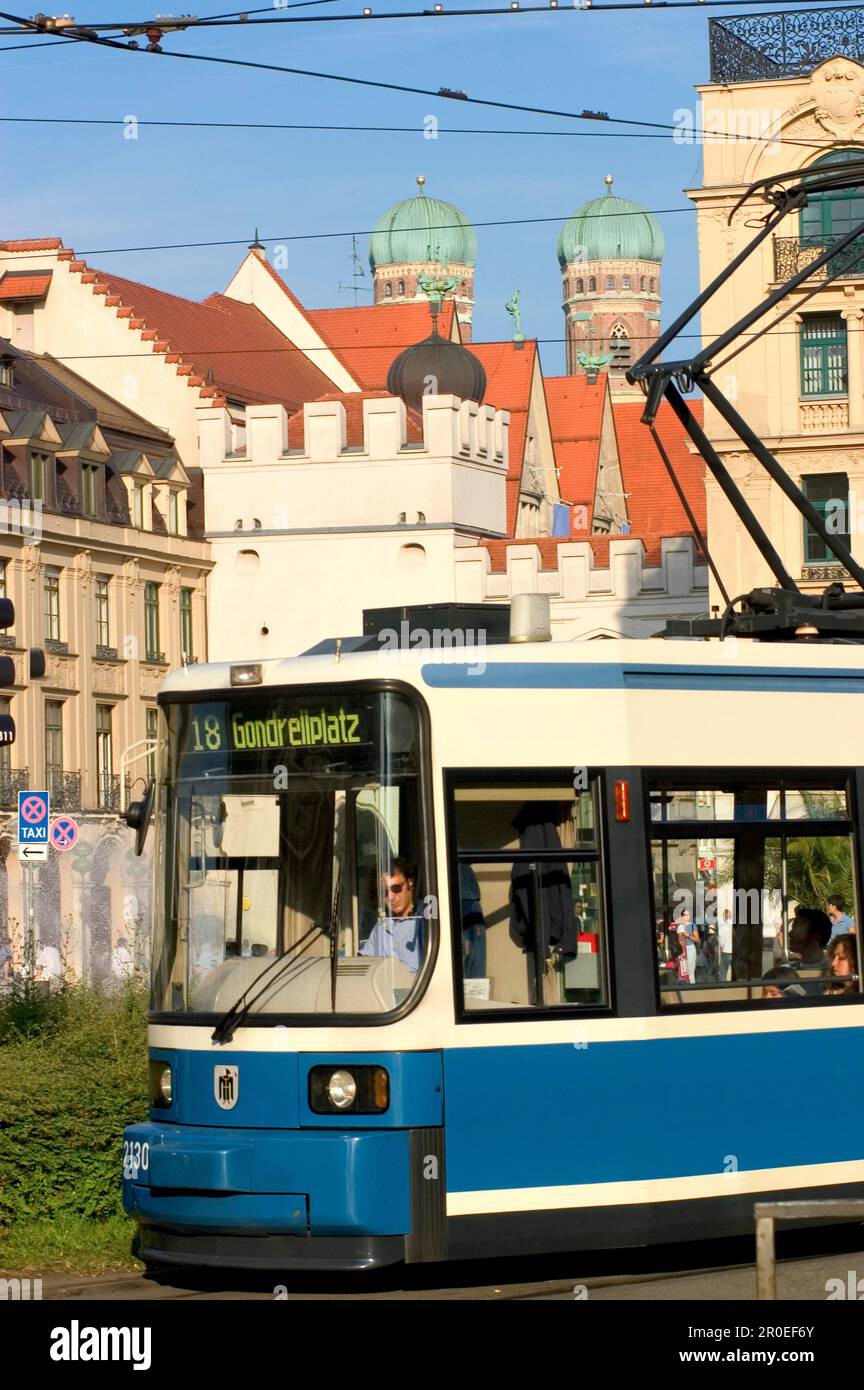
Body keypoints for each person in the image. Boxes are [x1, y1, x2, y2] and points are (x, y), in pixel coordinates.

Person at [359, 858, 425, 975]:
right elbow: (365, 963)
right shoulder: (380, 927)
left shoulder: (425, 922)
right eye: (384, 892)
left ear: (410, 882)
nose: (390, 897)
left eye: (396, 888)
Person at [718, 908, 733, 981]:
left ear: (724, 916)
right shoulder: (735, 926)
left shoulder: (723, 927)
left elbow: (721, 941)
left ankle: (722, 989)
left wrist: (721, 949)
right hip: (735, 952)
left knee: (723, 972)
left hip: (726, 951)